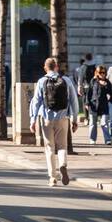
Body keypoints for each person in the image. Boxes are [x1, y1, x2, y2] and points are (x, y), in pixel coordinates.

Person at [28, 57, 77, 186]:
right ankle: (63, 165)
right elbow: (73, 100)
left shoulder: (41, 81)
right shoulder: (66, 80)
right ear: (56, 67)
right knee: (62, 146)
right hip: (62, 118)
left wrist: (32, 120)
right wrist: (74, 118)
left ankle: (53, 177)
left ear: (45, 68)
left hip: (46, 119)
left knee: (50, 148)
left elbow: (36, 102)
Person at [85, 65, 112, 145]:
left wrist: (105, 86)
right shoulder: (93, 81)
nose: (102, 74)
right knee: (93, 124)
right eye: (100, 72)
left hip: (104, 105)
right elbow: (89, 93)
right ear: (97, 73)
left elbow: (110, 92)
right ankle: (92, 139)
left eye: (104, 72)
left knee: (104, 123)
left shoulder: (107, 82)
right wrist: (87, 103)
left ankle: (107, 139)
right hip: (93, 105)